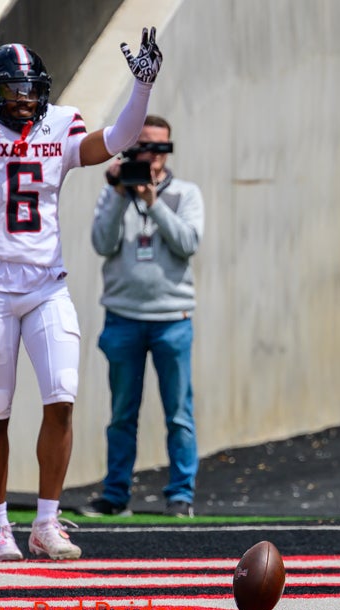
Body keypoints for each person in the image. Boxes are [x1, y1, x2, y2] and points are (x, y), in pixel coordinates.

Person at [0, 28, 163, 561]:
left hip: (47, 284)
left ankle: (47, 523)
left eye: (32, 89)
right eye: (14, 90)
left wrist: (142, 89)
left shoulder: (59, 123)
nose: (25, 99)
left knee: (62, 397)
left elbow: (114, 141)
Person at [77, 115, 203, 519]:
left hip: (172, 318)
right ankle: (115, 496)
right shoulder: (114, 193)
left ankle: (180, 496)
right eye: (142, 146)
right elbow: (101, 242)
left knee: (179, 413)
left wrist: (153, 202)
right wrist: (118, 193)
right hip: (123, 318)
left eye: (159, 147)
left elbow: (188, 243)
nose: (150, 155)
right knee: (122, 414)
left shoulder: (185, 193)